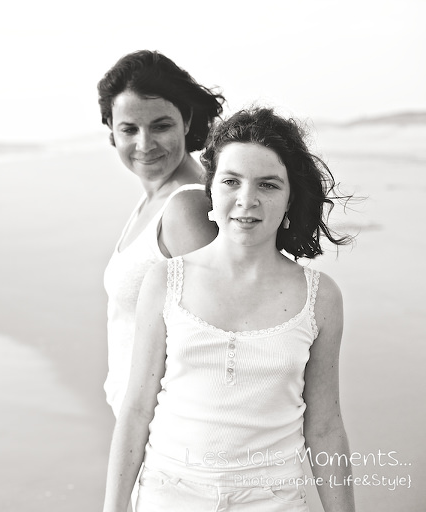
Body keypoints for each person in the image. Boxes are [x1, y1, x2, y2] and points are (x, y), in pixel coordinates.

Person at [103, 107, 356, 511]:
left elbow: (324, 426)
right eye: (231, 181)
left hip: (273, 501)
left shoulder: (320, 298)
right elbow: (136, 410)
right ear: (212, 191)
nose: (246, 200)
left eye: (268, 185)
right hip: (168, 494)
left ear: (290, 199)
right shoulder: (166, 280)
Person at [98, 50, 225, 417]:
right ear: (111, 130)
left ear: (186, 120)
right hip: (144, 429)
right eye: (129, 129)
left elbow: (221, 343)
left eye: (160, 125)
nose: (144, 144)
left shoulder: (187, 209)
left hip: (169, 436)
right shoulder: (155, 196)